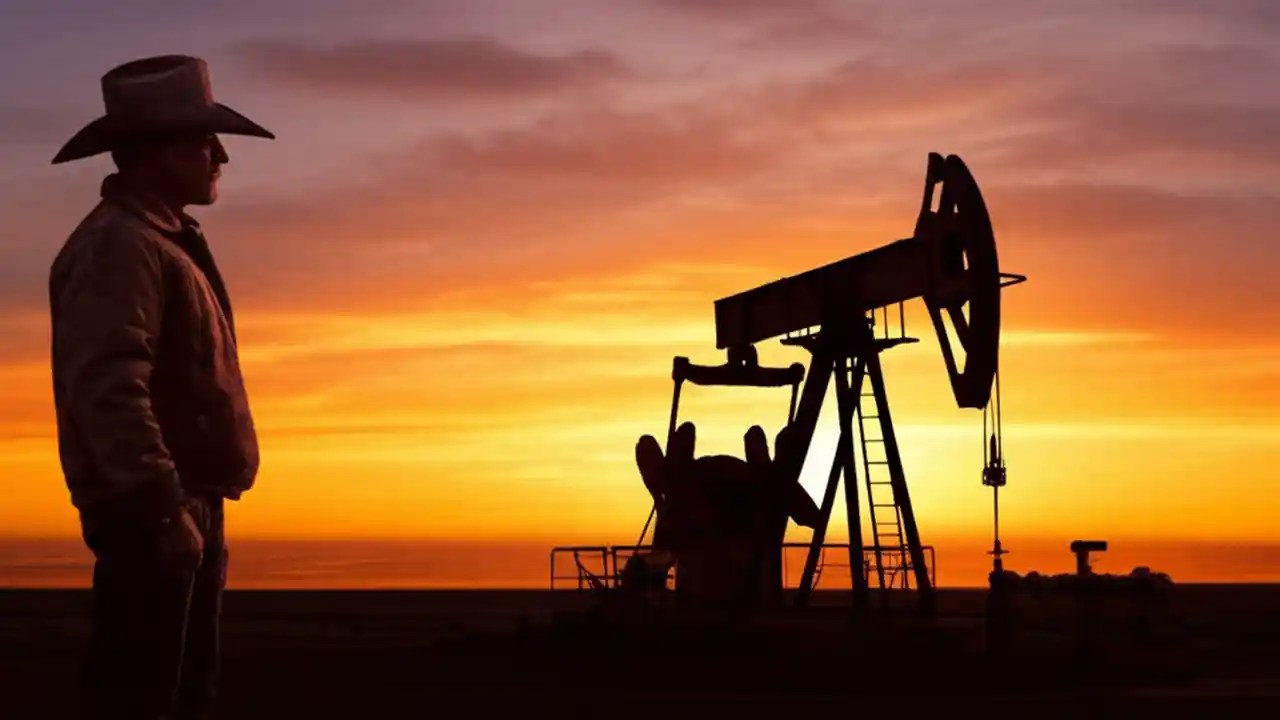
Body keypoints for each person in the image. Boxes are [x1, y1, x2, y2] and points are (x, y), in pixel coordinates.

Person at [47, 54, 274, 718]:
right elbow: (110, 386)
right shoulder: (122, 247)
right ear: (155, 149)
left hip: (179, 504)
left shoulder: (156, 242)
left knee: (179, 692)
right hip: (155, 509)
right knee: (144, 695)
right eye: (204, 140)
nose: (220, 156)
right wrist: (160, 507)